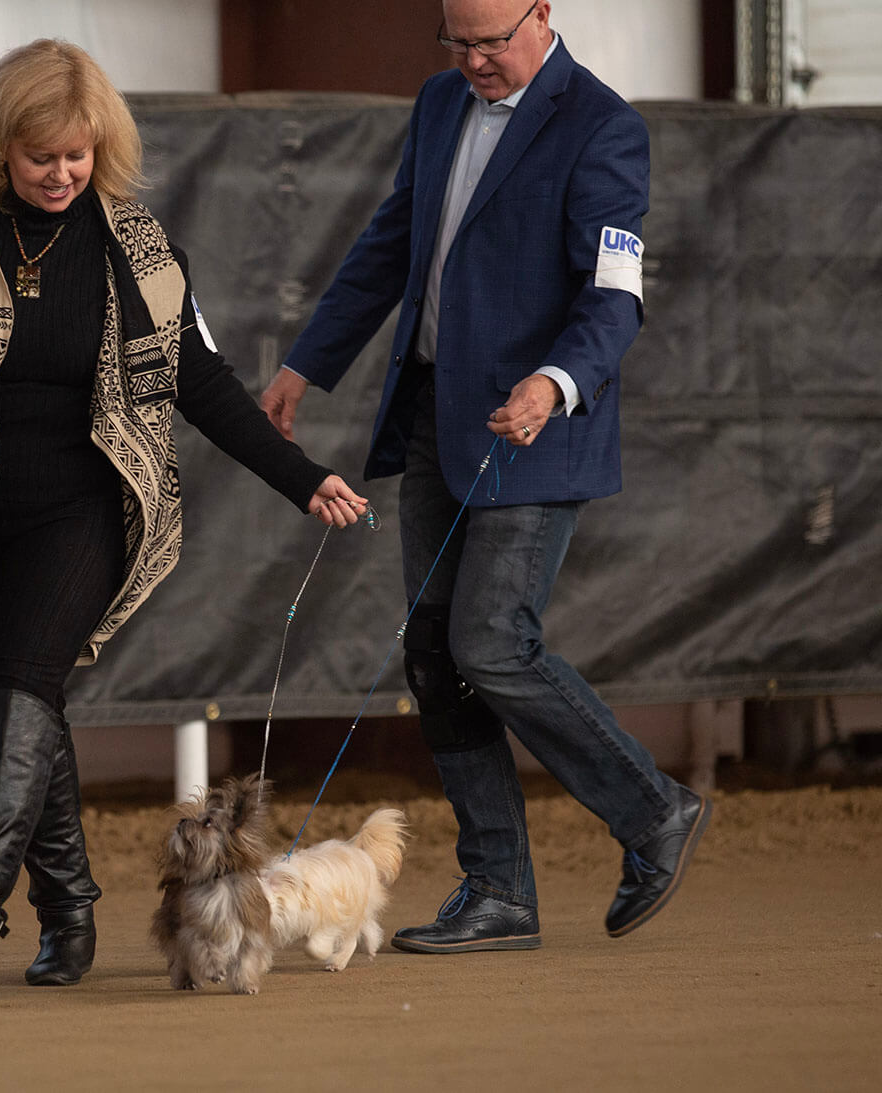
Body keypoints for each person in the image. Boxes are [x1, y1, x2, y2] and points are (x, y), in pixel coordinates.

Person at [0, 39, 368, 994]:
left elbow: (203, 383)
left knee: (16, 685)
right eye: (39, 155)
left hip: (89, 512)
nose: (60, 174)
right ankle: (71, 915)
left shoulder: (141, 250)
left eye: (78, 156)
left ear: (103, 149)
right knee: (26, 711)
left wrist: (302, 477)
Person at [261, 0, 710, 952]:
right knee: (435, 651)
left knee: (492, 640)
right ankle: (499, 888)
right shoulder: (436, 106)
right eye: (455, 41)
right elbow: (391, 247)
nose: (472, 61)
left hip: (536, 428)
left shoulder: (603, 126)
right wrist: (308, 361)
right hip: (435, 418)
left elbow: (614, 299)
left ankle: (655, 810)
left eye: (490, 41)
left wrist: (553, 382)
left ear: (541, 14)